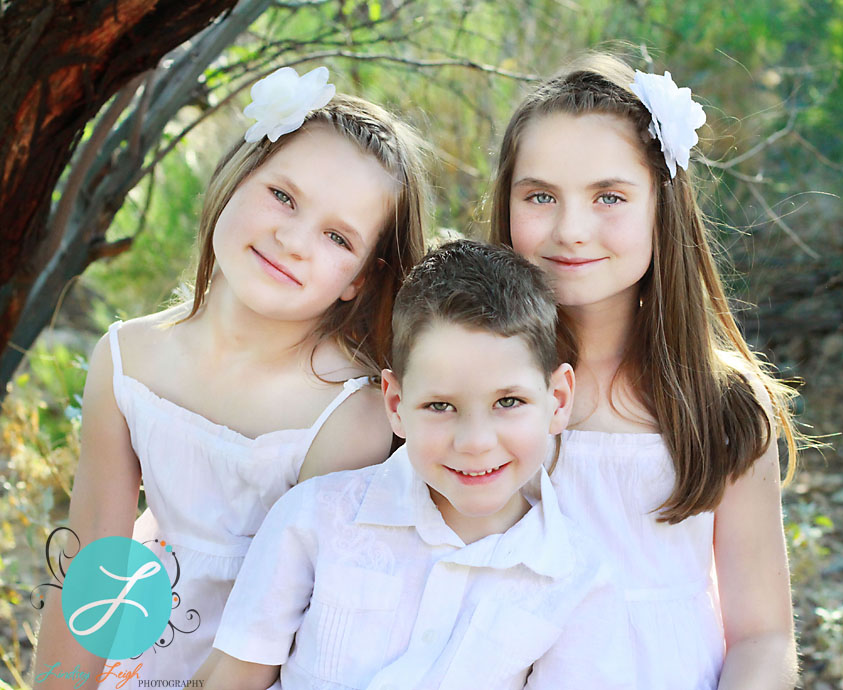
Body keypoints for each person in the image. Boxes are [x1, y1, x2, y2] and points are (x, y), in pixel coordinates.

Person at [33, 66, 428, 688]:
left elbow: (276, 628)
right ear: (237, 176)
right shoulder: (129, 358)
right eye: (283, 196)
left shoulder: (349, 413)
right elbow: (92, 565)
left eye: (336, 236)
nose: (293, 239)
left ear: (359, 278)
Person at [194, 240, 636, 690]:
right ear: (396, 403)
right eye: (441, 406)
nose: (475, 443)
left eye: (508, 401)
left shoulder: (576, 580)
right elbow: (231, 677)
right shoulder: (313, 520)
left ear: (558, 399)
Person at [490, 53, 802, 689]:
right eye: (541, 196)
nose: (571, 230)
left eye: (609, 196)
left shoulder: (723, 407)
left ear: (663, 205)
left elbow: (764, 637)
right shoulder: (469, 383)